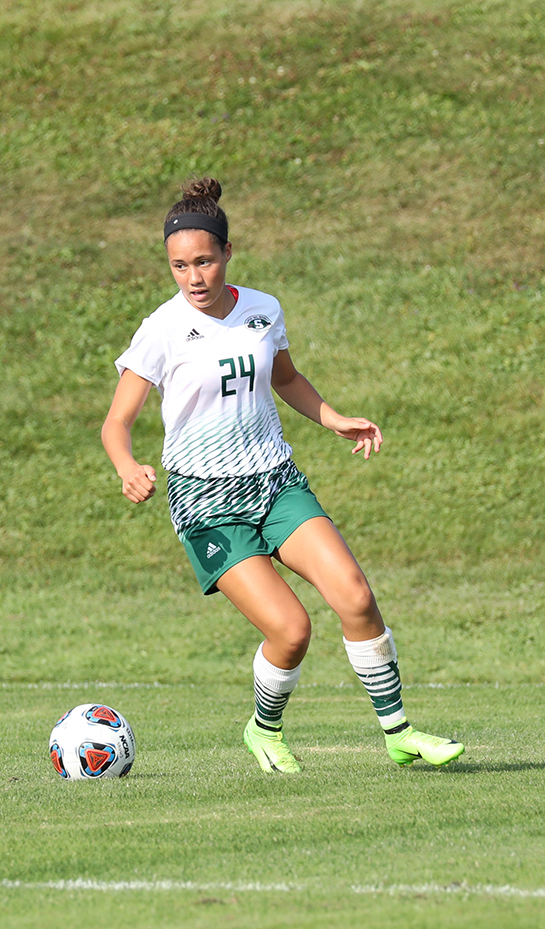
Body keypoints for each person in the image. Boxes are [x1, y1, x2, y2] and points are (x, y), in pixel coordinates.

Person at [100, 178, 464, 774]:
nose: (193, 277)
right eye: (179, 266)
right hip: (207, 501)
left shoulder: (262, 310)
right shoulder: (161, 330)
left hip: (275, 481)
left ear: (227, 255)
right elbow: (118, 422)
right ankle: (263, 730)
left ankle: (400, 733)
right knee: (291, 630)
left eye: (204, 261)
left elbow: (286, 379)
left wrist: (333, 417)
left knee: (355, 595)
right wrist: (127, 466)